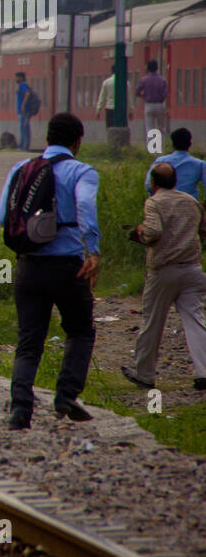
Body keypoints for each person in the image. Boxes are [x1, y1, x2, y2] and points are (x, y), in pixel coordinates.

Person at [0, 112, 101, 429]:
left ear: (46, 139)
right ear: (77, 141)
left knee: (29, 340)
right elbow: (85, 207)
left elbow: (2, 216)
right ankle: (66, 395)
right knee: (80, 330)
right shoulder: (82, 172)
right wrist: (92, 249)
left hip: (28, 267)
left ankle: (20, 410)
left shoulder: (21, 168)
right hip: (68, 266)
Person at [123, 162, 206, 391]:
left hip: (163, 271)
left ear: (153, 182)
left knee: (152, 322)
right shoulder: (191, 201)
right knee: (195, 320)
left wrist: (138, 231)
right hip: (192, 269)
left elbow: (153, 232)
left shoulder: (154, 202)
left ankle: (145, 374)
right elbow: (203, 230)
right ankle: (204, 371)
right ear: (175, 181)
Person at [143, 128, 206, 199]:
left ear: (173, 144)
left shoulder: (160, 161)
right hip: (188, 205)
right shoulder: (200, 165)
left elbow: (149, 185)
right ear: (190, 144)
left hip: (164, 203)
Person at [136, 59, 169, 142]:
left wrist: (143, 96)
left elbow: (137, 92)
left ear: (147, 68)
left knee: (149, 128)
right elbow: (165, 95)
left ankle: (152, 149)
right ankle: (160, 149)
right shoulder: (162, 80)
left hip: (148, 105)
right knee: (161, 128)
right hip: (160, 105)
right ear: (157, 68)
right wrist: (167, 108)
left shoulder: (144, 80)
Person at [14, 71, 37, 151]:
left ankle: (24, 146)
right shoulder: (22, 85)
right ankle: (24, 145)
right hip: (23, 110)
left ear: (21, 78)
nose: (15, 79)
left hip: (24, 110)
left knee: (24, 128)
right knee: (24, 128)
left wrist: (23, 105)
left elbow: (27, 94)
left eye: (16, 77)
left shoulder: (23, 85)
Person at [94, 64, 117, 129]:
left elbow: (102, 97)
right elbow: (128, 97)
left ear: (112, 71)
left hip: (109, 108)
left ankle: (111, 138)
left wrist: (98, 110)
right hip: (121, 109)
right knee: (120, 126)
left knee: (110, 128)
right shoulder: (124, 82)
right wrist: (130, 110)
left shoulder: (107, 82)